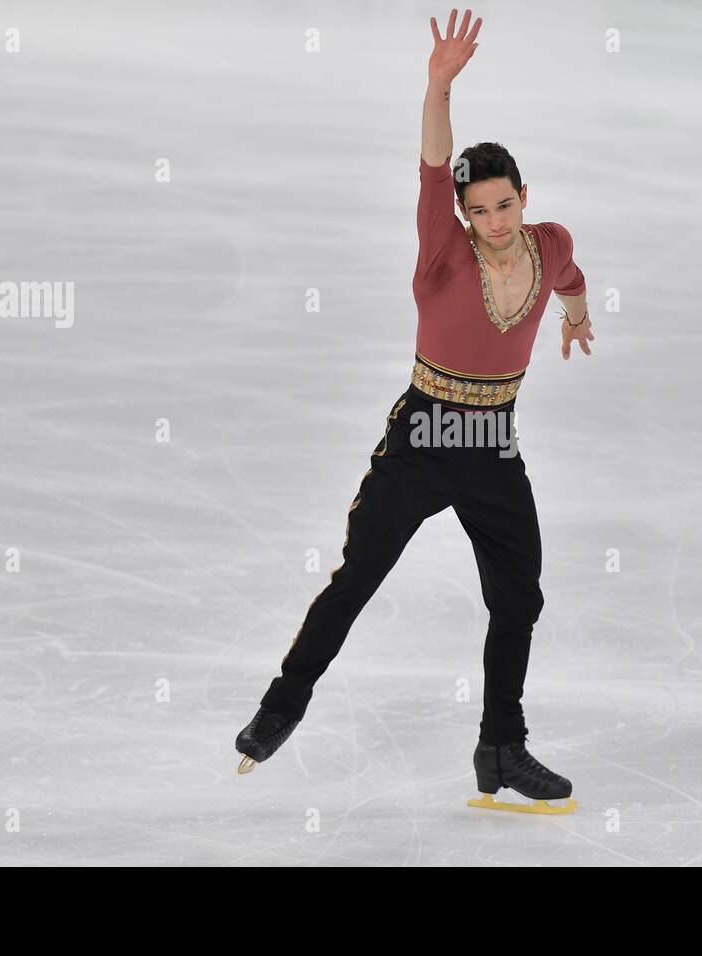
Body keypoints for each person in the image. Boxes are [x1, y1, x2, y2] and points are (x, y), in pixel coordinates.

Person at [236, 7, 593, 814]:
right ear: (464, 215)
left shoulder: (552, 241)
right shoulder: (444, 249)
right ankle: (280, 707)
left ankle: (502, 749)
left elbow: (572, 280)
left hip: (493, 442)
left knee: (520, 595)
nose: (495, 224)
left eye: (505, 206)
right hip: (425, 433)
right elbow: (435, 166)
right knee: (359, 576)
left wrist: (576, 316)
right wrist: (438, 88)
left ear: (523, 198)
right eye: (481, 212)